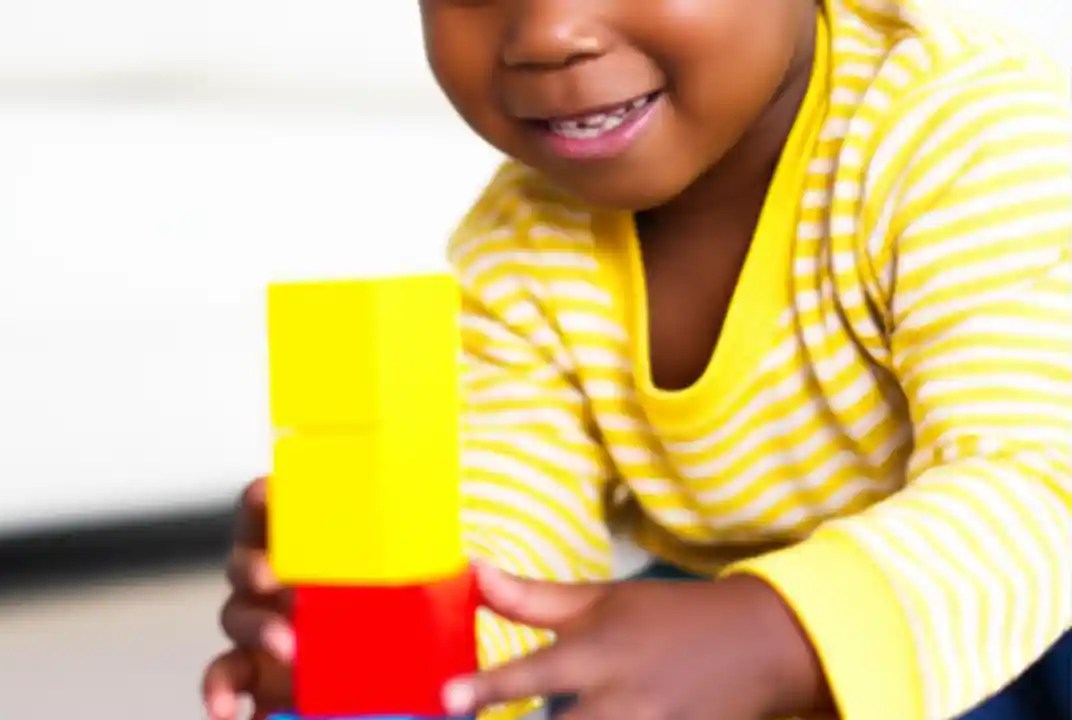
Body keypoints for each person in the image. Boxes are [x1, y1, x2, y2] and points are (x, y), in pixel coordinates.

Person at [202, 0, 1072, 717]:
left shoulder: (959, 127)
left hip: (1026, 586)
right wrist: (385, 638)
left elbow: (1044, 482)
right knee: (604, 658)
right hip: (739, 590)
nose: (547, 33)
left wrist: (781, 632)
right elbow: (518, 544)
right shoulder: (518, 248)